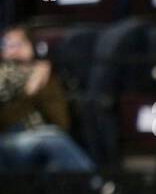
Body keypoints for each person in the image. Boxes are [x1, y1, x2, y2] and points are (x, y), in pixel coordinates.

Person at [0, 26, 94, 173]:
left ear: (32, 46)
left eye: (19, 44)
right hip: (9, 137)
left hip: (39, 134)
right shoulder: (4, 73)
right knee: (53, 140)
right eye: (8, 45)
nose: (13, 50)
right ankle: (95, 185)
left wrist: (41, 77)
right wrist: (33, 80)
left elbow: (61, 120)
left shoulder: (47, 75)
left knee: (55, 147)